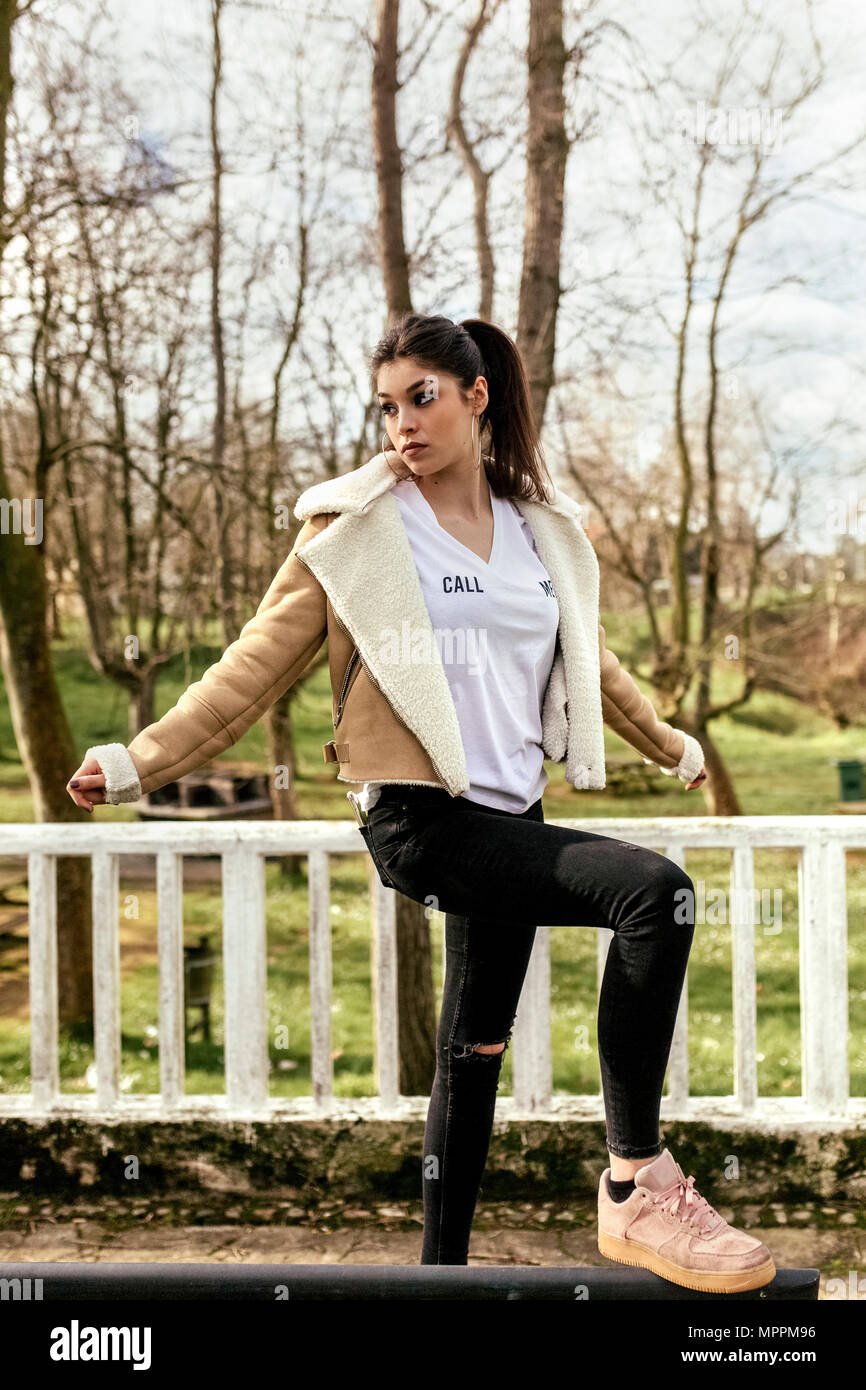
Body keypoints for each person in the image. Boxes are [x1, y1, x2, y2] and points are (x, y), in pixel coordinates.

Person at [67, 312, 775, 1294]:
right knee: (651, 893)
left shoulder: (537, 534)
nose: (400, 422)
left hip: (510, 817)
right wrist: (136, 761)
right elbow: (248, 671)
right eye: (386, 405)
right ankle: (634, 1185)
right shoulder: (356, 528)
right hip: (419, 819)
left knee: (471, 1050)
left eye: (421, 398)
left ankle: (436, 1283)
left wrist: (671, 745)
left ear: (476, 396)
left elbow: (593, 664)